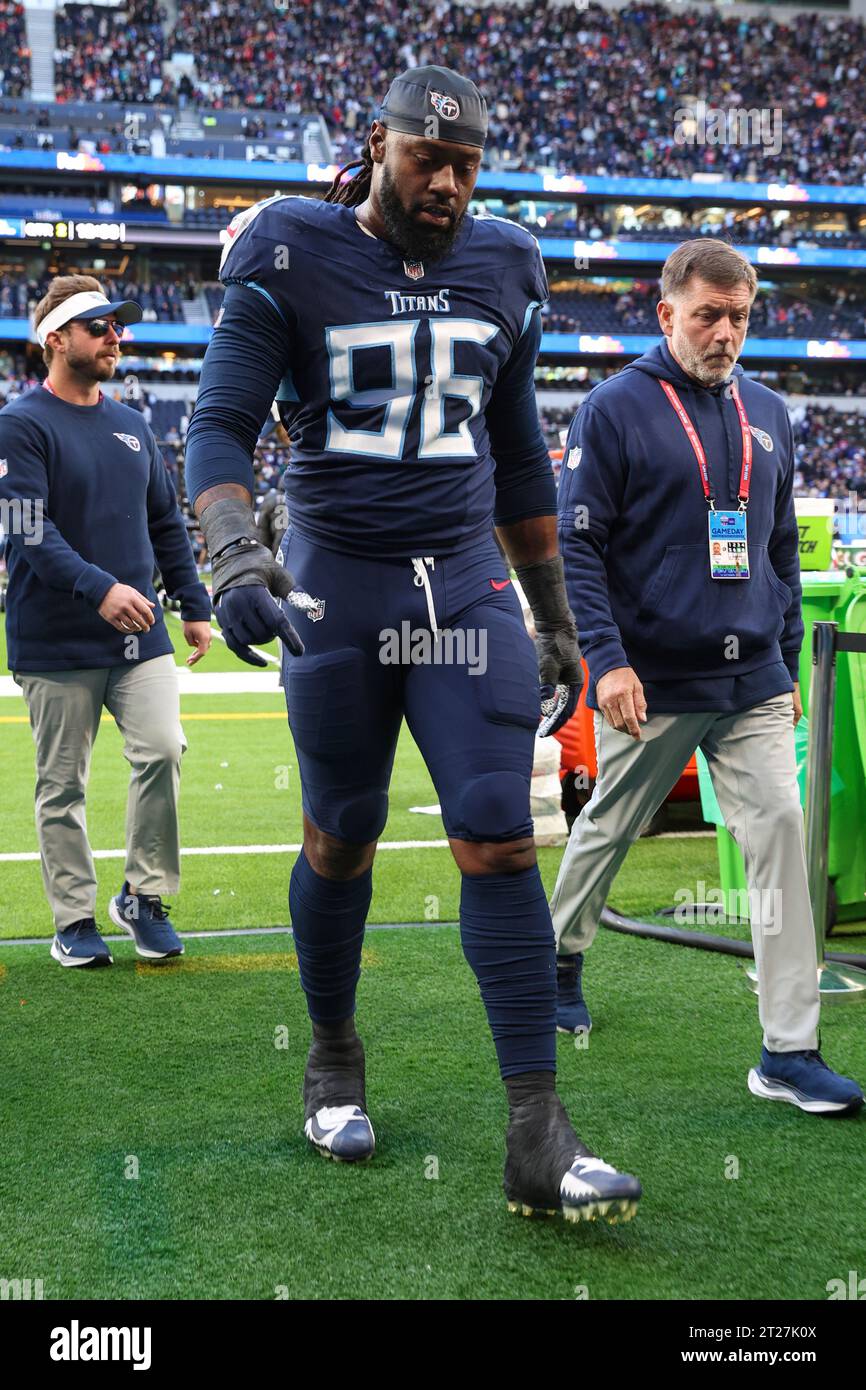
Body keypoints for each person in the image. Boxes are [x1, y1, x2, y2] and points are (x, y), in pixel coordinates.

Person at [184, 66, 642, 1225]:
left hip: (468, 592)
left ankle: (535, 1130)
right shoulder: (289, 247)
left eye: (463, 164)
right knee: (342, 835)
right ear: (376, 147)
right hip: (339, 584)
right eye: (421, 157)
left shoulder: (505, 264)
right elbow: (219, 422)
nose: (442, 180)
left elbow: (524, 459)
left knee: (498, 835)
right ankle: (332, 1052)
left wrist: (551, 614)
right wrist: (235, 554)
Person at [552, 239, 863, 1117]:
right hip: (650, 678)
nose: (725, 333)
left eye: (739, 317)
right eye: (708, 316)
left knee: (780, 840)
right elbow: (580, 547)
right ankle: (562, 954)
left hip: (753, 679)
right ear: (666, 315)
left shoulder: (770, 410)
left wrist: (789, 653)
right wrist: (605, 663)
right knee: (612, 823)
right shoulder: (613, 410)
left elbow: (774, 550)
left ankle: (789, 1051)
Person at [0, 275, 213, 968]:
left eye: (117, 325)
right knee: (63, 785)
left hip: (138, 632)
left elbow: (165, 524)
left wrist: (194, 604)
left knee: (163, 749)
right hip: (56, 638)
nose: (115, 336)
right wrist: (99, 589)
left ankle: (144, 896)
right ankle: (73, 919)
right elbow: (27, 525)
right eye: (99, 326)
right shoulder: (19, 423)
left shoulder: (132, 425)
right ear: (55, 340)